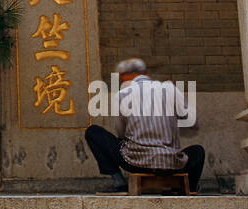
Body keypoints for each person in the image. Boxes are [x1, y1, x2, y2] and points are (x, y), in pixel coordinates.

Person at [84, 57, 205, 193]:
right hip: (171, 164)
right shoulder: (170, 89)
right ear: (146, 74)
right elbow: (192, 121)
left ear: (124, 78)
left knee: (93, 132)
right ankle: (190, 187)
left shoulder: (123, 94)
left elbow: (121, 133)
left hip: (134, 162)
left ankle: (119, 182)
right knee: (198, 151)